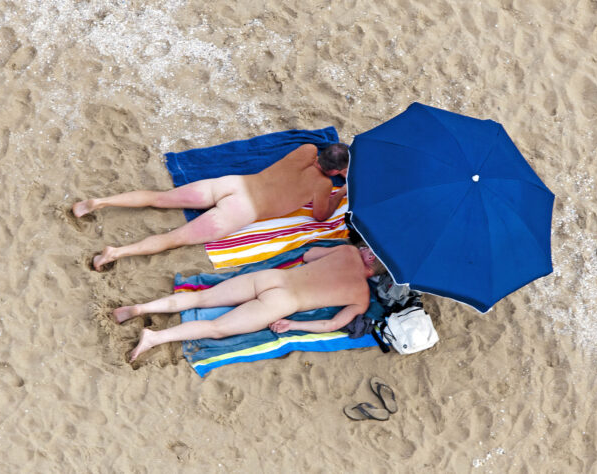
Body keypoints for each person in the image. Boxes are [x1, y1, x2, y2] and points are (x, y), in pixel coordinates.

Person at [73, 143, 350, 271]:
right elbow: (320, 216)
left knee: (159, 197)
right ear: (337, 170)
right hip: (242, 211)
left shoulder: (305, 149)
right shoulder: (324, 186)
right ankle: (115, 253)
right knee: (175, 239)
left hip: (234, 185)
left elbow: (321, 156)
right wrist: (342, 190)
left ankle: (99, 202)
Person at [114, 244, 383, 363]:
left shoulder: (346, 251)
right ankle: (155, 337)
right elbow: (331, 324)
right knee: (216, 328)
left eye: (368, 250)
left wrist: (346, 252)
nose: (364, 248)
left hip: (274, 278)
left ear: (371, 260)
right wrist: (292, 324)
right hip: (283, 303)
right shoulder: (361, 297)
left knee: (201, 297)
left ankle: (143, 308)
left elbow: (310, 254)